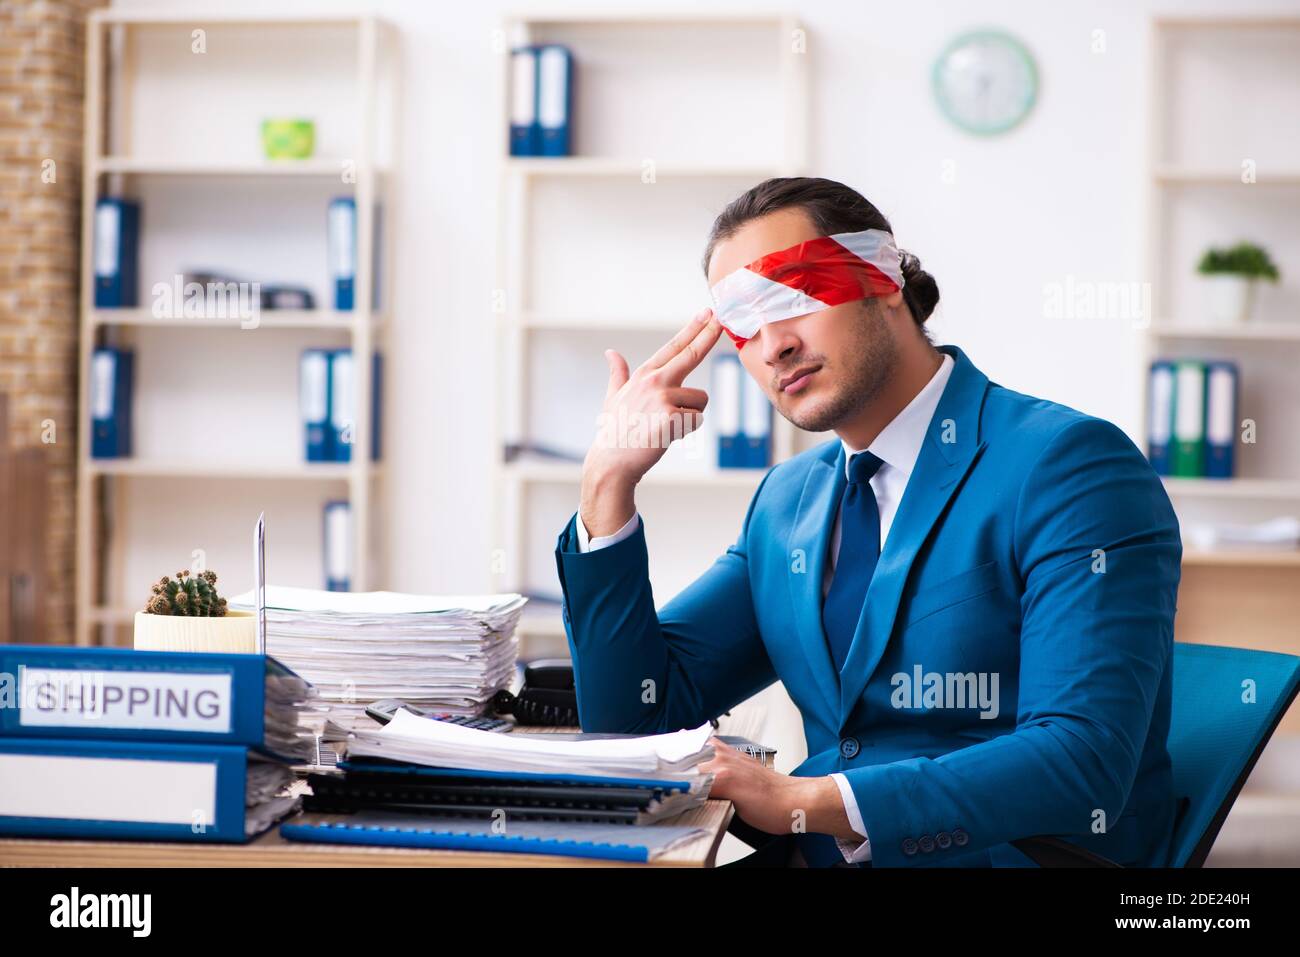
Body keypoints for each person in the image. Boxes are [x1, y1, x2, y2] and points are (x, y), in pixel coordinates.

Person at [553, 176, 1181, 867]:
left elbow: (1083, 758)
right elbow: (636, 721)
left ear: (884, 277)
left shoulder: (1068, 464)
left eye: (792, 296)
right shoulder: (786, 503)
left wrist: (812, 801)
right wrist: (607, 484)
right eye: (741, 324)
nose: (772, 346)